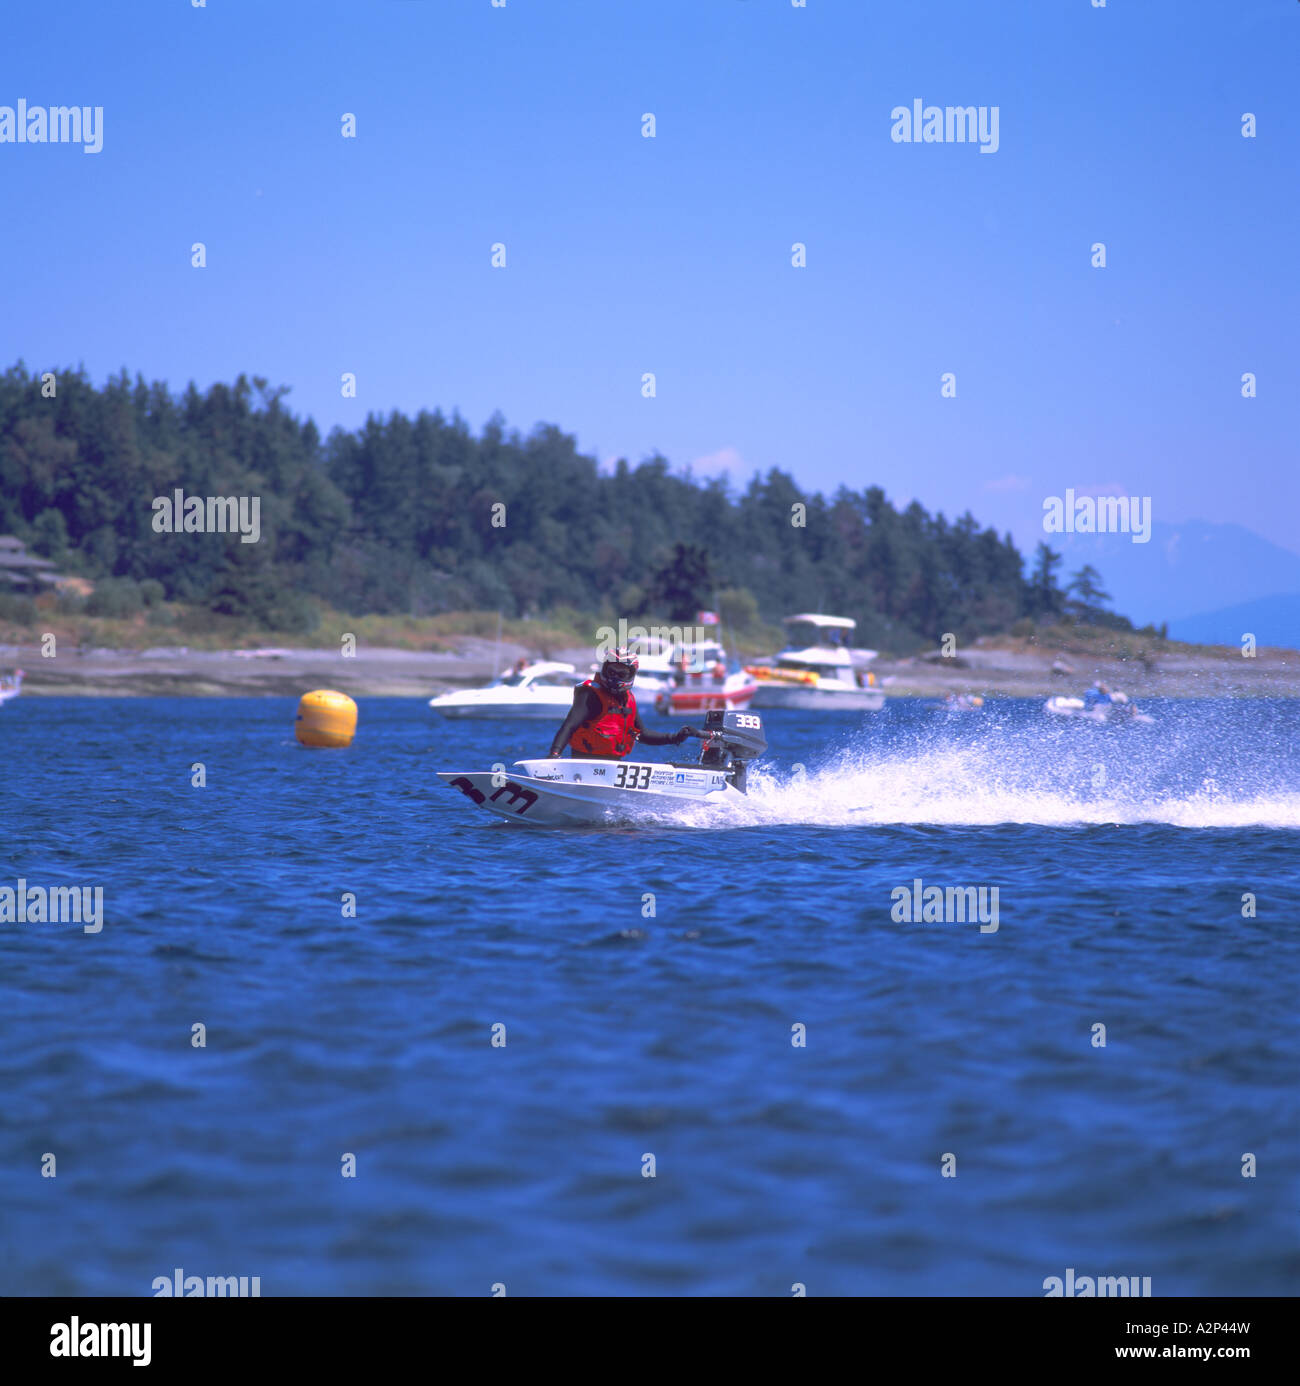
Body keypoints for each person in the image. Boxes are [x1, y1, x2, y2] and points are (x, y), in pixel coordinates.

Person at [549, 647, 698, 759]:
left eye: (621, 674)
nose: (614, 677)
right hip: (583, 767)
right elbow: (569, 726)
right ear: (605, 670)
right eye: (612, 672)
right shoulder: (590, 694)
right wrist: (554, 755)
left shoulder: (629, 699)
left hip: (613, 768)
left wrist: (675, 737)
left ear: (631, 674)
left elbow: (642, 734)